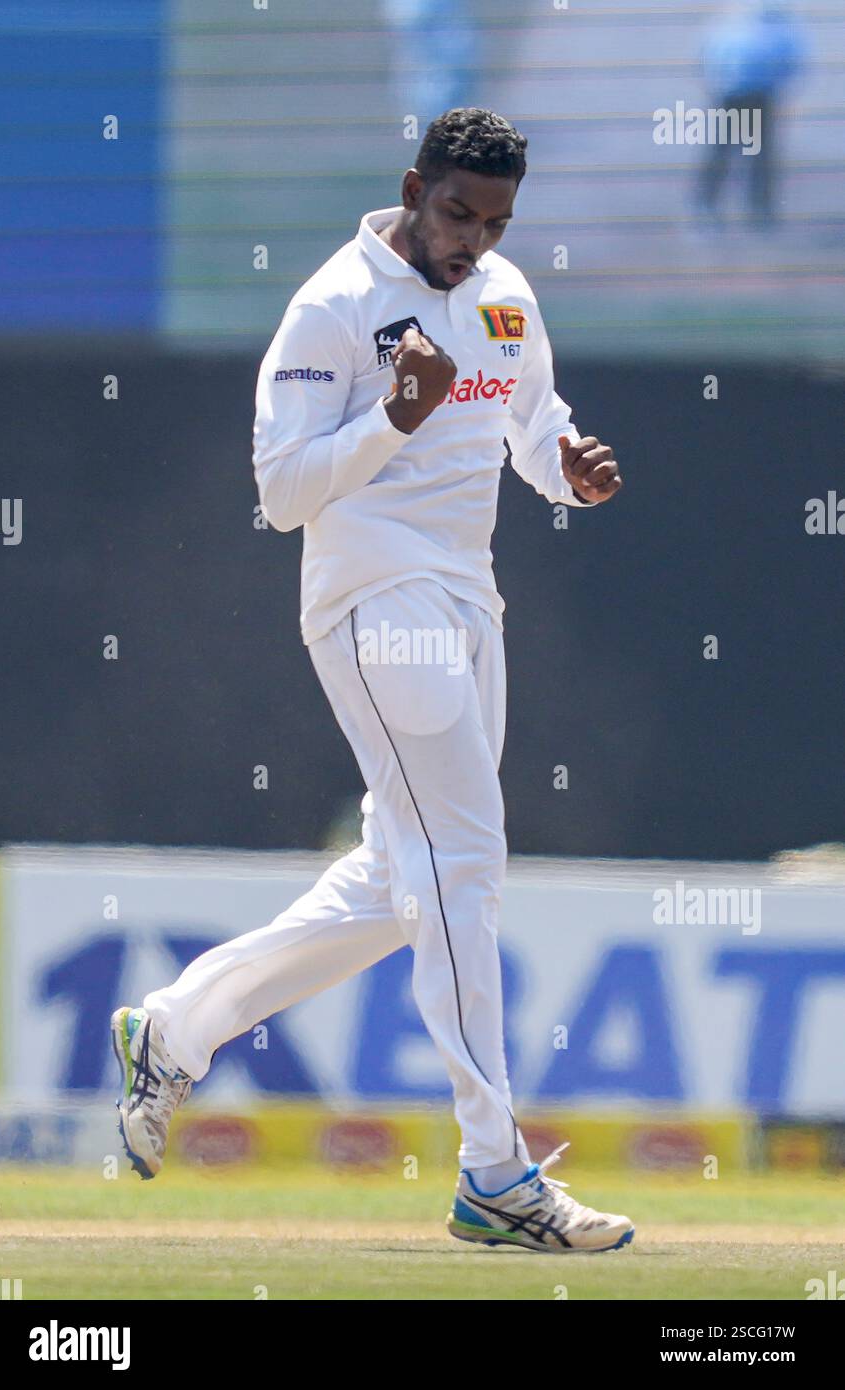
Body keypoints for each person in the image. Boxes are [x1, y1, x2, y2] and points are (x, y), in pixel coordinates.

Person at [111, 108, 634, 1254]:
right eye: (455, 213)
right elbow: (286, 491)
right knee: (462, 862)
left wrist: (568, 471)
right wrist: (392, 417)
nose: (470, 239)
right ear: (412, 185)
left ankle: (178, 1025)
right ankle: (493, 1172)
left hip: (464, 599)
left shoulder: (503, 293)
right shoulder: (332, 305)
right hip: (371, 605)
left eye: (494, 221)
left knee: (404, 875)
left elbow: (529, 421)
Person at [697, 0, 806, 226]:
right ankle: (726, 207)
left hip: (743, 94)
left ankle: (722, 207)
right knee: (742, 153)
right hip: (746, 94)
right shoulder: (777, 29)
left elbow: (709, 54)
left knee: (736, 152)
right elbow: (792, 65)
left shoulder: (735, 23)